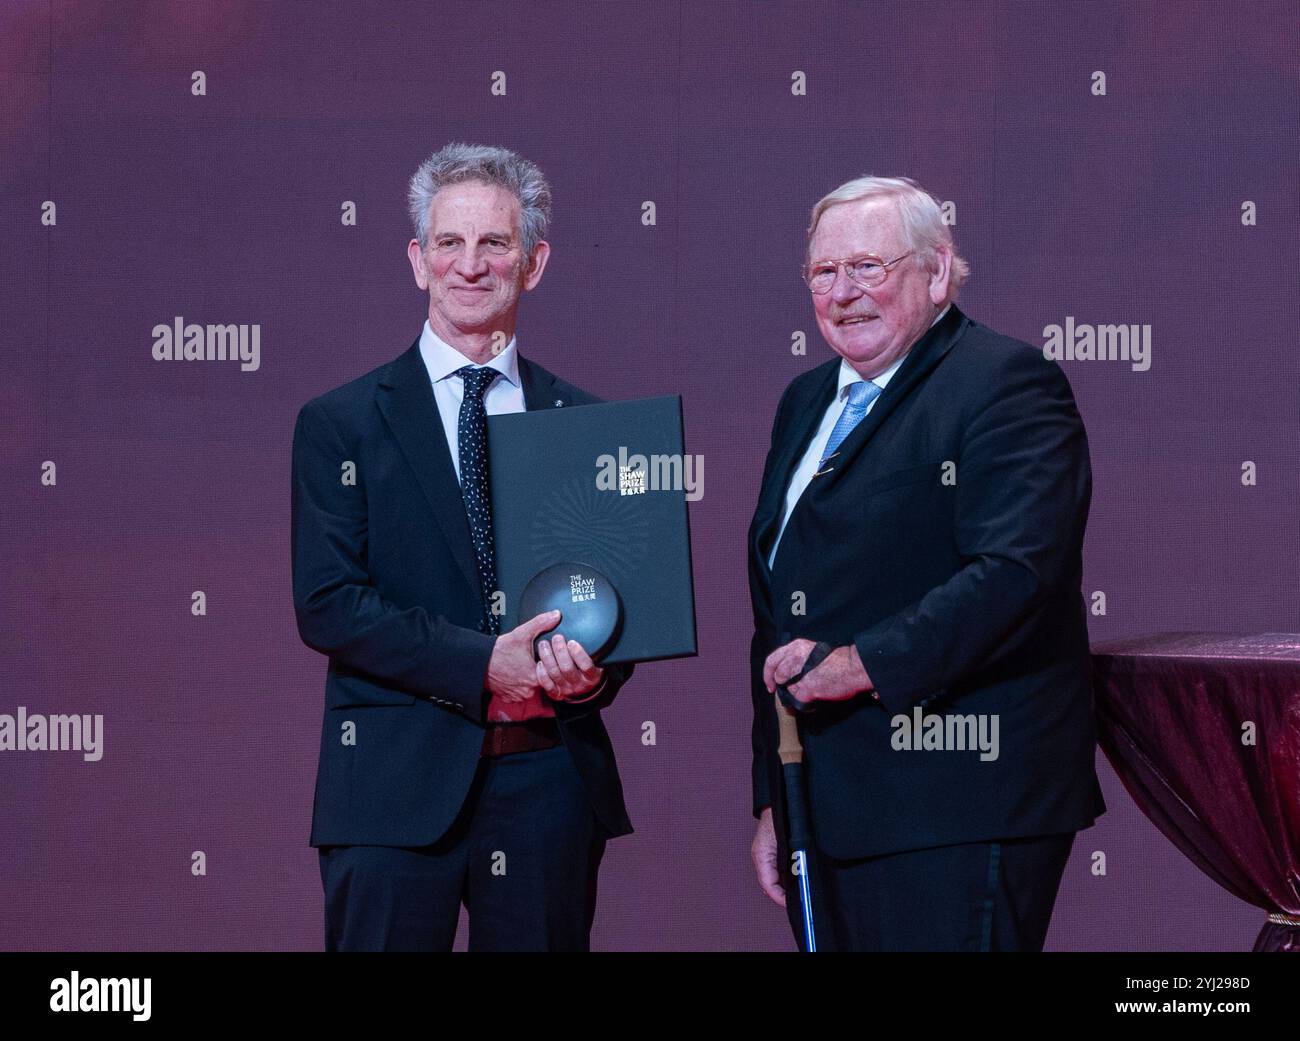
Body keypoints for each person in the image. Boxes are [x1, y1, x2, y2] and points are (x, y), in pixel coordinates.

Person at [747, 175, 1105, 951]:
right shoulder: (804, 401)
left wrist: (858, 664)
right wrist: (777, 798)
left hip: (960, 800)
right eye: (823, 272)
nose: (844, 292)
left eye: (869, 267)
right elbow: (778, 612)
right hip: (829, 803)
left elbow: (1014, 576)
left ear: (937, 271)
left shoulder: (1004, 384)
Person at [292, 142, 632, 951]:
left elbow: (613, 608)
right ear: (418, 260)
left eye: (495, 243)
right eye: (449, 242)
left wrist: (588, 673)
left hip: (547, 782)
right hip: (389, 790)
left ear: (534, 262)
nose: (470, 265)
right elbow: (330, 604)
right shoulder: (341, 423)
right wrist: (483, 664)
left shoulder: (586, 425)